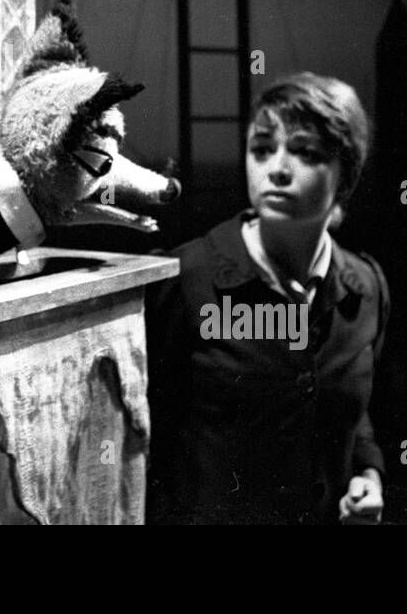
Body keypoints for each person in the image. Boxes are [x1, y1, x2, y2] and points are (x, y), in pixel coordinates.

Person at [146, 73, 389, 523]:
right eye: (262, 149)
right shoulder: (186, 281)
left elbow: (355, 410)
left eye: (306, 153)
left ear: (346, 174)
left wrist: (367, 475)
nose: (276, 168)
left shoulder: (365, 287)